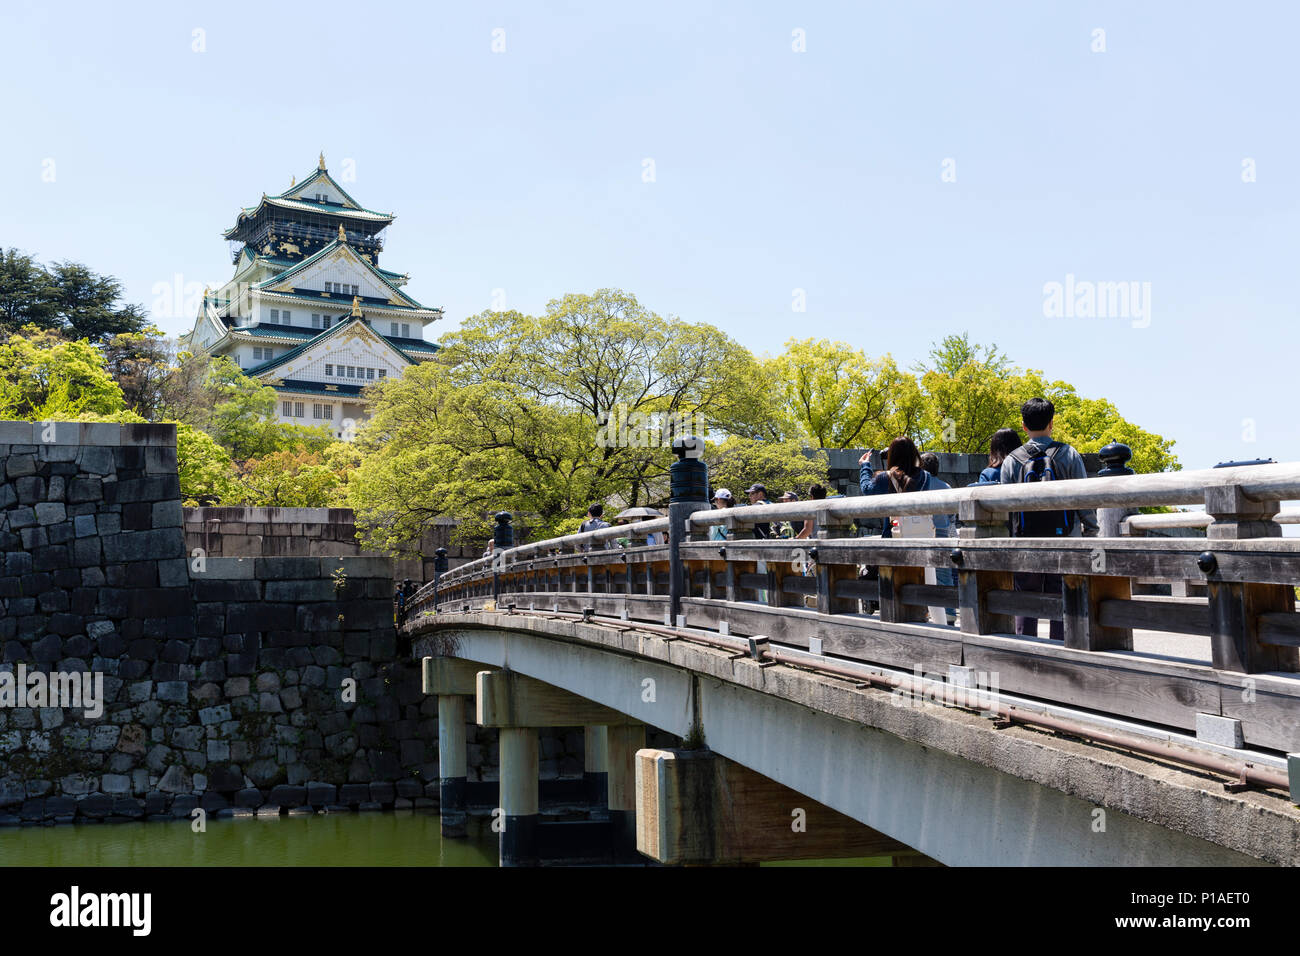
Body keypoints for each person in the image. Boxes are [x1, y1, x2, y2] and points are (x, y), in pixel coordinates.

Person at [999, 397, 1099, 640]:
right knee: (1062, 595)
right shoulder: (1069, 454)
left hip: (1025, 542)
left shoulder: (1012, 460)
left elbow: (1003, 507)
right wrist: (1091, 529)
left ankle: (1025, 649)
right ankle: (1060, 649)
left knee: (1025, 597)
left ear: (1023, 426)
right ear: (1051, 423)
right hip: (1064, 539)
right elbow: (1083, 498)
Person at [920, 453, 957, 626]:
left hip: (924, 533)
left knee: (925, 575)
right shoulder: (946, 486)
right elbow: (952, 514)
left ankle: (928, 611)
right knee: (944, 574)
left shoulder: (920, 486)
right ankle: (949, 612)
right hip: (942, 533)